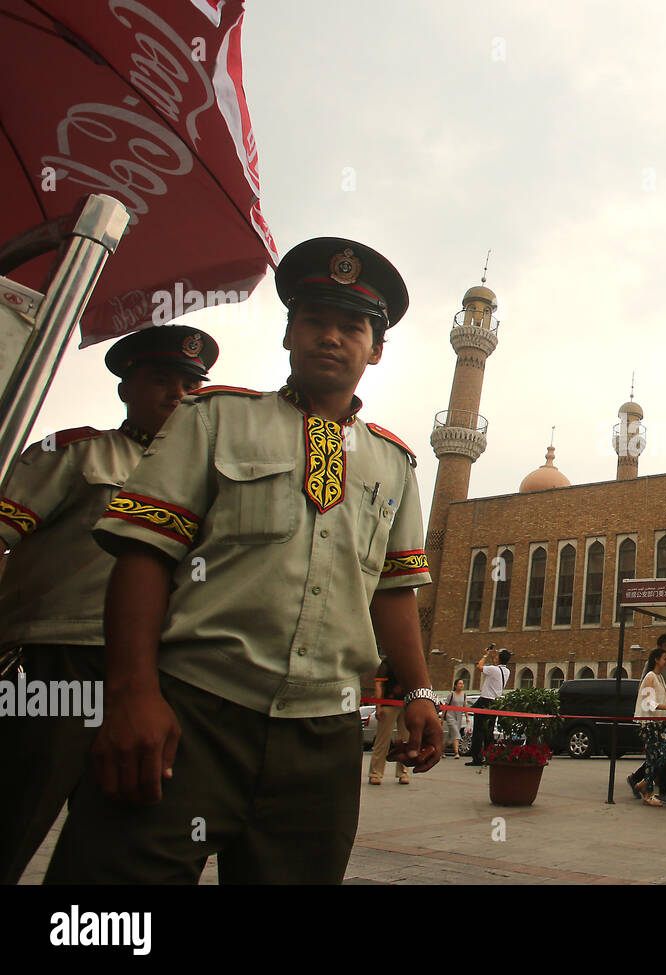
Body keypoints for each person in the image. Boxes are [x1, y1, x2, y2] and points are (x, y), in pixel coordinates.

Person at [44, 237, 442, 885]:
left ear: (376, 348)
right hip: (195, 713)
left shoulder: (391, 463)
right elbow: (143, 558)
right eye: (314, 319)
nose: (331, 337)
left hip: (322, 733)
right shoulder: (214, 420)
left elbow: (393, 592)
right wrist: (132, 695)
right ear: (288, 332)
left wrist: (420, 690)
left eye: (351, 326)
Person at [0, 325, 217, 884]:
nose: (177, 394)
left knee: (116, 844)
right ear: (127, 389)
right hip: (58, 661)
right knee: (16, 811)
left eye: (191, 384)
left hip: (152, 676)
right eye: (160, 380)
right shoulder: (80, 454)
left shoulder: (208, 483)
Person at [627, 633, 666, 803]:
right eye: (664, 658)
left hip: (661, 721)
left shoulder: (660, 677)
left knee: (665, 755)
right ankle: (648, 792)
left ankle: (643, 784)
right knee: (654, 757)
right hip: (650, 723)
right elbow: (648, 702)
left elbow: (664, 694)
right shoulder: (650, 676)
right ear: (657, 659)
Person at [466, 646, 511, 766]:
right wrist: (494, 657)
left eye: (496, 657)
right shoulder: (506, 671)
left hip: (485, 701)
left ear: (499, 659)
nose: (494, 658)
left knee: (478, 731)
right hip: (495, 703)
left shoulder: (493, 670)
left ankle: (477, 758)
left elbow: (479, 667)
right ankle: (489, 756)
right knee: (489, 732)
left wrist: (485, 656)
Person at [368, 656, 410, 785]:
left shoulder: (411, 661)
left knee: (406, 740)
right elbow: (379, 683)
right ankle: (375, 773)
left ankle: (403, 773)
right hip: (388, 703)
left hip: (407, 704)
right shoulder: (387, 662)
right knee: (382, 740)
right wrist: (378, 705)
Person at [444, 678, 468, 758]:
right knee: (456, 734)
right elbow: (445, 707)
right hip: (450, 716)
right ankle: (456, 753)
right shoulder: (451, 694)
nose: (461, 685)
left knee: (451, 738)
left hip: (459, 717)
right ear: (455, 685)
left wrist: (467, 717)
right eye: (460, 683)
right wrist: (441, 719)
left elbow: (465, 707)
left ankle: (440, 750)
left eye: (462, 684)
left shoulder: (464, 695)